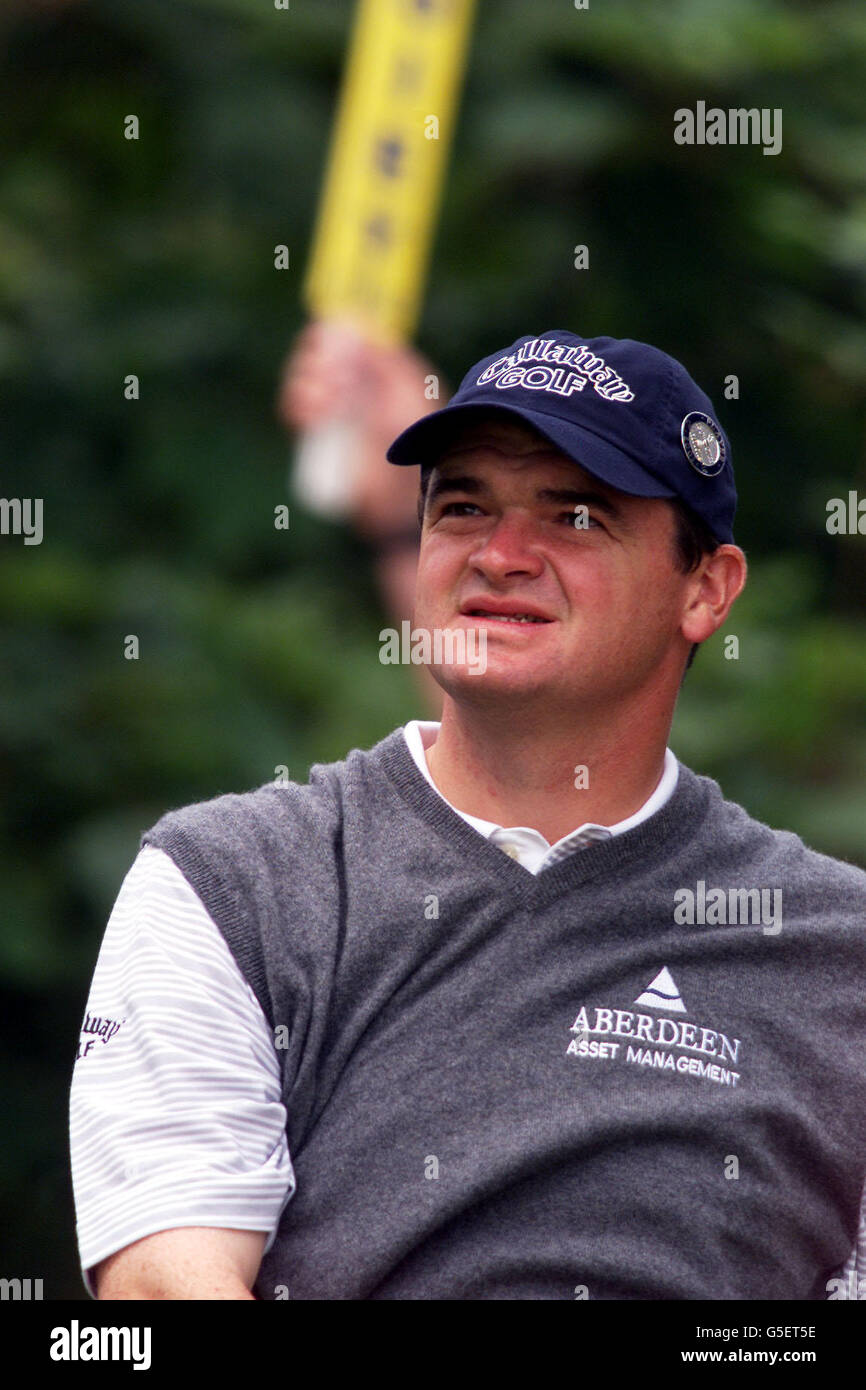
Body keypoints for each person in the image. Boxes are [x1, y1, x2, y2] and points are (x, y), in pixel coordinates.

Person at [70, 329, 866, 1300]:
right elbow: (164, 1288)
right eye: (460, 506)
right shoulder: (233, 882)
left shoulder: (837, 950)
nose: (499, 554)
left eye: (574, 515)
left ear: (704, 589)